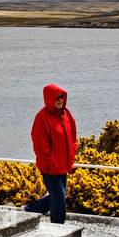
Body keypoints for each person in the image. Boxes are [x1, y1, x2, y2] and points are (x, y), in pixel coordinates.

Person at [24, 83, 78, 224]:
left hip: (63, 166)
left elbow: (72, 136)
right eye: (56, 98)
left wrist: (71, 158)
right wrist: (49, 162)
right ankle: (58, 227)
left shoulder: (67, 114)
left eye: (61, 97)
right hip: (50, 167)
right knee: (59, 198)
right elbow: (40, 143)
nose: (60, 100)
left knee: (58, 196)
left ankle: (30, 210)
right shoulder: (42, 117)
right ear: (49, 99)